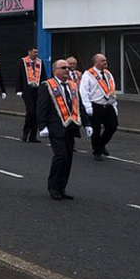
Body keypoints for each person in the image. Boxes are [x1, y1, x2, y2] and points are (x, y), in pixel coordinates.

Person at [37, 59, 90, 200]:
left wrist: (87, 124)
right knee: (60, 156)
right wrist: (42, 126)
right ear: (56, 71)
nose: (67, 70)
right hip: (55, 128)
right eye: (63, 67)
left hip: (70, 128)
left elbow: (79, 107)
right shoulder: (47, 86)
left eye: (68, 67)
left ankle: (62, 187)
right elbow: (41, 108)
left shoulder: (72, 86)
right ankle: (53, 187)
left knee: (68, 160)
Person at [80, 54, 119, 160]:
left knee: (113, 126)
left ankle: (100, 145)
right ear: (95, 62)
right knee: (95, 130)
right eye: (102, 60)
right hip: (95, 105)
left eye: (105, 60)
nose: (105, 62)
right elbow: (84, 92)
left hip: (108, 105)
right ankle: (97, 151)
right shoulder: (88, 75)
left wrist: (114, 104)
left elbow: (112, 90)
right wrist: (87, 106)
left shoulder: (108, 74)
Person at [16, 47, 45, 143]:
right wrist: (19, 90)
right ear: (29, 52)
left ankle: (33, 136)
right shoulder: (22, 61)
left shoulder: (40, 63)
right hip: (27, 90)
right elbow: (19, 76)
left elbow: (43, 76)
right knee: (31, 111)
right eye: (34, 52)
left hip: (37, 90)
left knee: (37, 113)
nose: (36, 54)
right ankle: (25, 133)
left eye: (37, 52)